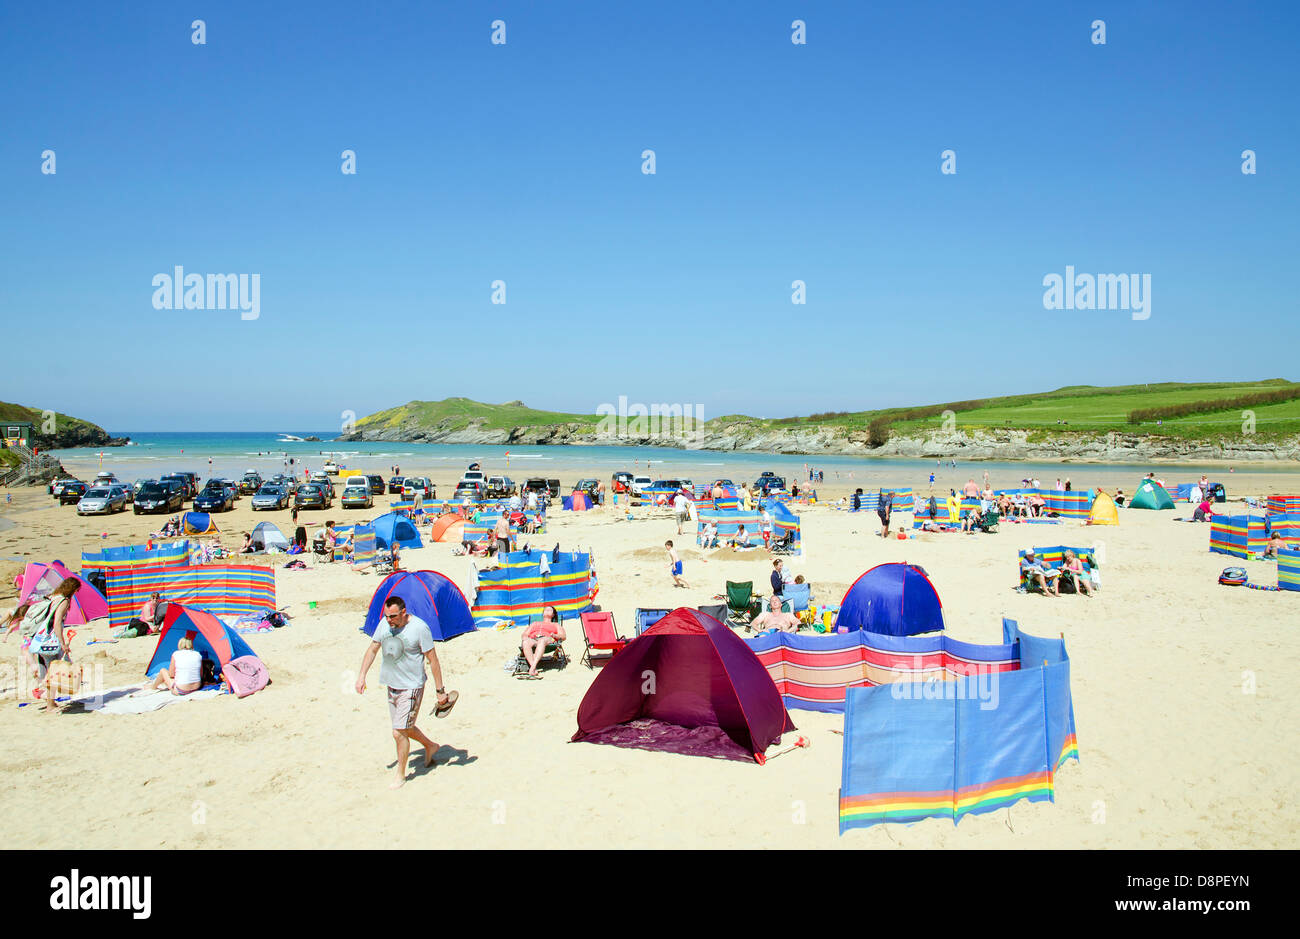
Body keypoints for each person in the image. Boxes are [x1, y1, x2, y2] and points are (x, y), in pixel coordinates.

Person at [355, 596, 456, 789]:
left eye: (393, 616)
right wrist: (361, 676)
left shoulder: (419, 628)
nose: (390, 620)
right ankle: (430, 745)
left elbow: (432, 659)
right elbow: (372, 649)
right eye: (387, 616)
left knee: (398, 731)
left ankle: (400, 775)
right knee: (405, 727)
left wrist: (440, 691)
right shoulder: (384, 625)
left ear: (404, 612)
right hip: (391, 684)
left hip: (412, 686)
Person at [519, 605, 565, 679]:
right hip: (534, 639)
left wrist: (555, 635)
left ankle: (532, 668)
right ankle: (533, 667)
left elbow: (563, 636)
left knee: (542, 640)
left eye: (549, 610)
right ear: (543, 614)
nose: (547, 610)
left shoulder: (555, 625)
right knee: (525, 642)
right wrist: (525, 637)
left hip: (548, 639)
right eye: (546, 610)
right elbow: (525, 634)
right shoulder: (534, 623)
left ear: (553, 615)